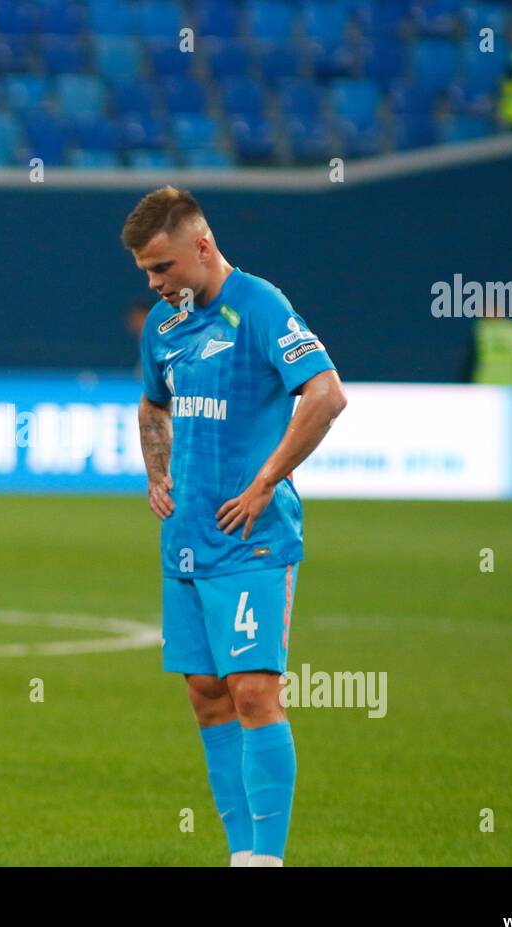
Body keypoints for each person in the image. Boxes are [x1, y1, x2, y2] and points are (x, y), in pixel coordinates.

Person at [123, 187, 347, 867]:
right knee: (207, 695)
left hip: (252, 538)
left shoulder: (258, 305)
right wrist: (157, 475)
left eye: (162, 268)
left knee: (254, 689)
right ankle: (241, 854)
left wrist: (265, 481)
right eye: (146, 273)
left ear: (202, 246)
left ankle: (267, 859)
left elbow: (326, 394)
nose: (155, 284)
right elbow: (152, 406)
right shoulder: (164, 330)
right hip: (186, 540)